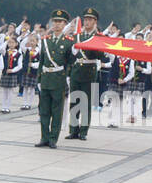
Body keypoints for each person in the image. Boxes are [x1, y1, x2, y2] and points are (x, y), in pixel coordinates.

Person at [35, 10, 73, 148]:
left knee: (57, 111)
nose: (57, 24)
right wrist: (38, 79)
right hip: (45, 78)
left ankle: (53, 138)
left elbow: (71, 62)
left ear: (64, 24)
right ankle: (44, 137)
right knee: (44, 110)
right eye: (55, 21)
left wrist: (68, 78)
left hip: (58, 79)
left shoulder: (69, 42)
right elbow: (41, 61)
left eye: (60, 22)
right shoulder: (45, 40)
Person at [67, 8, 103, 140]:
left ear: (95, 21)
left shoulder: (98, 37)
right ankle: (73, 130)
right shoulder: (77, 36)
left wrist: (95, 47)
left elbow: (101, 56)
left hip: (89, 70)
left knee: (85, 102)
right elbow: (71, 56)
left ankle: (83, 131)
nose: (86, 22)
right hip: (76, 70)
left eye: (89, 20)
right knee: (74, 101)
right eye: (85, 19)